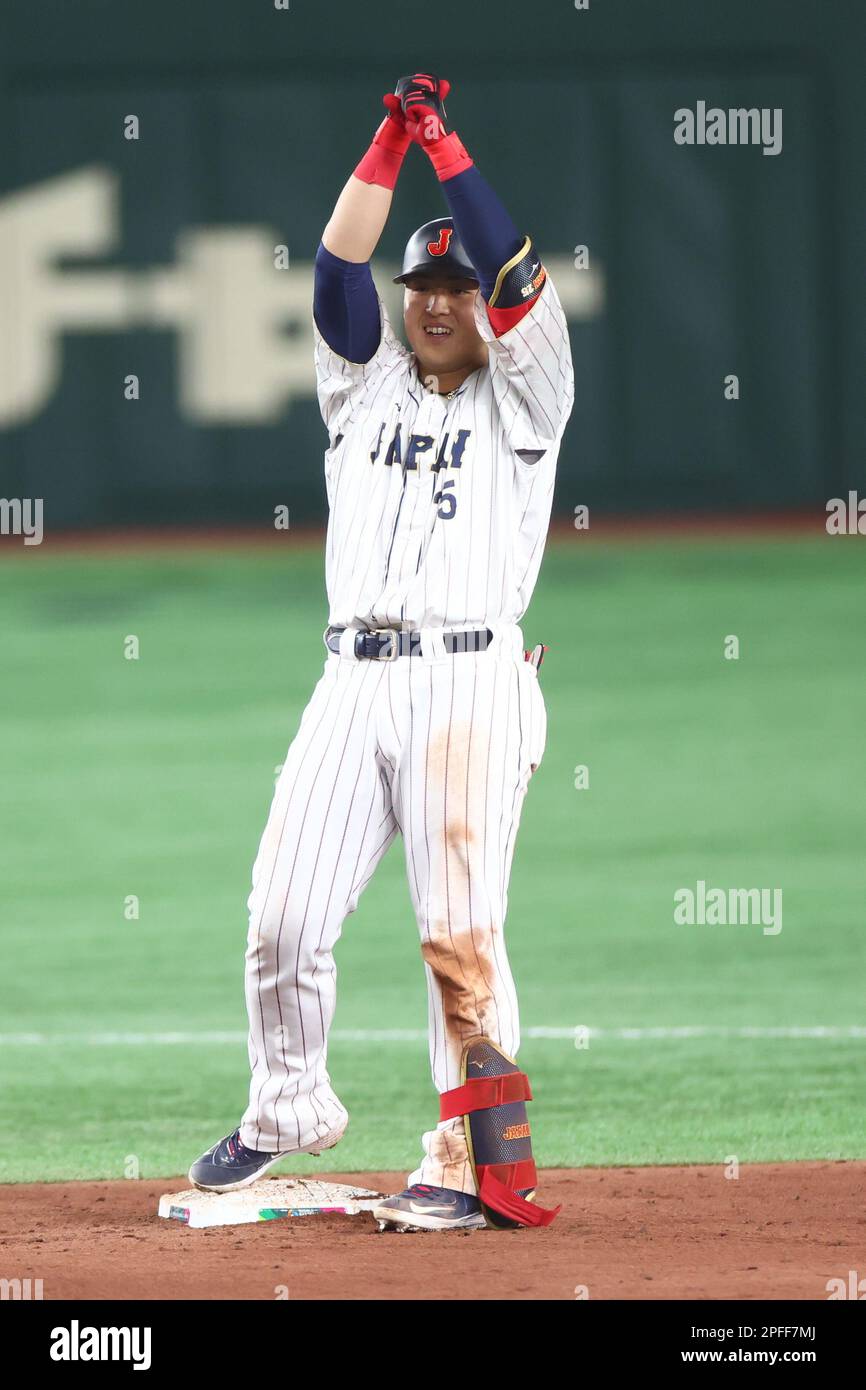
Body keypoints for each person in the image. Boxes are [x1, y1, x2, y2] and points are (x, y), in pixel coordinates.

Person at [189, 74, 574, 1232]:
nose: (438, 303)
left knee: (457, 937)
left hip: (470, 681)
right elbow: (331, 270)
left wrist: (447, 149)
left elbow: (512, 271)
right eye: (425, 285)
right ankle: (289, 1105)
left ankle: (473, 1160)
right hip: (350, 679)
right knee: (282, 917)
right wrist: (386, 140)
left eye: (455, 286)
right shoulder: (358, 384)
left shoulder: (530, 393)